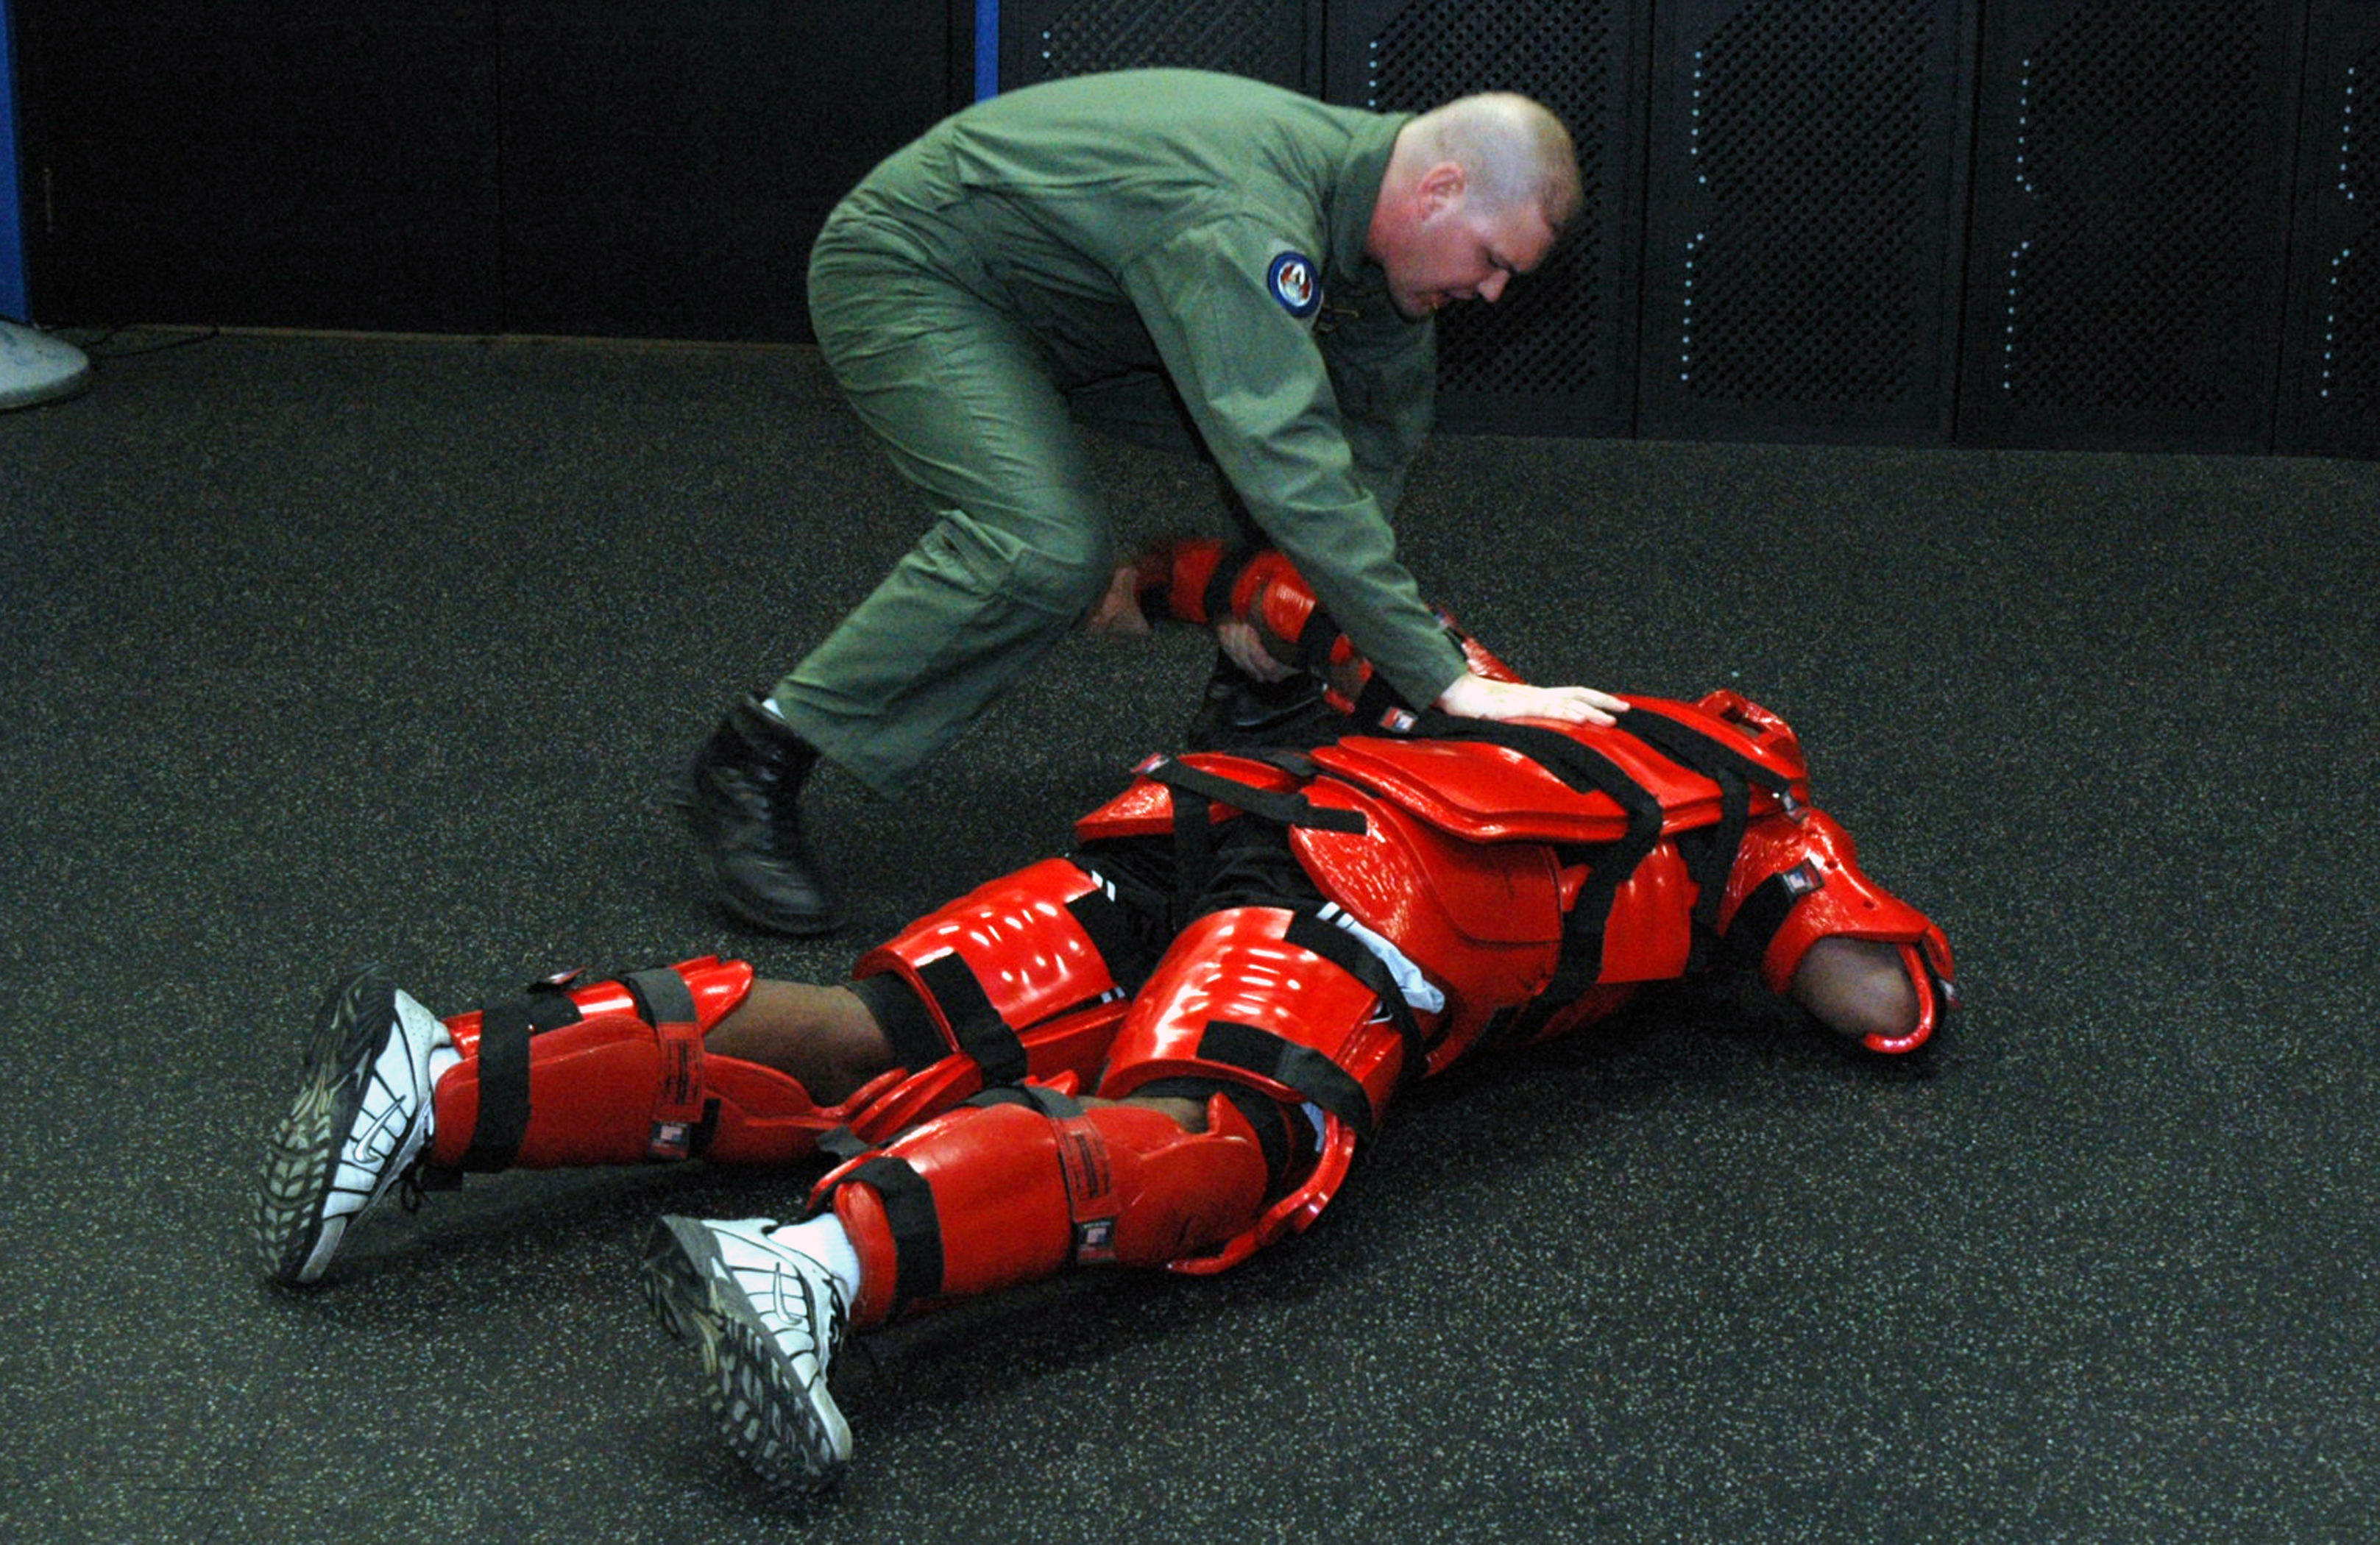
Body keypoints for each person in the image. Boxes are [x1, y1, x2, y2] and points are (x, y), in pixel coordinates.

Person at [252, 547, 1957, 1494]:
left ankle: (444, 1075)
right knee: (1220, 1140)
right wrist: (1793, 892)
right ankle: (815, 1274)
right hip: (1352, 915)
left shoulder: (1498, 688)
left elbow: (1274, 588)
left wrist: (1110, 584)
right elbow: (1876, 999)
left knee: (876, 1036)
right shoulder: (1762, 823)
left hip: (1190, 827)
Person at [684, 68, 1623, 938]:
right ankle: (760, 756)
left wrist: (1277, 598)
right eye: (1494, 259)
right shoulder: (1244, 214)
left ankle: (1258, 698)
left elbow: (1370, 443)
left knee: (1303, 443)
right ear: (1440, 191)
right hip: (921, 271)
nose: (1493, 293)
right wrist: (1446, 679)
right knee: (1043, 550)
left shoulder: (1379, 235)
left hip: (1090, 309)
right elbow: (1287, 457)